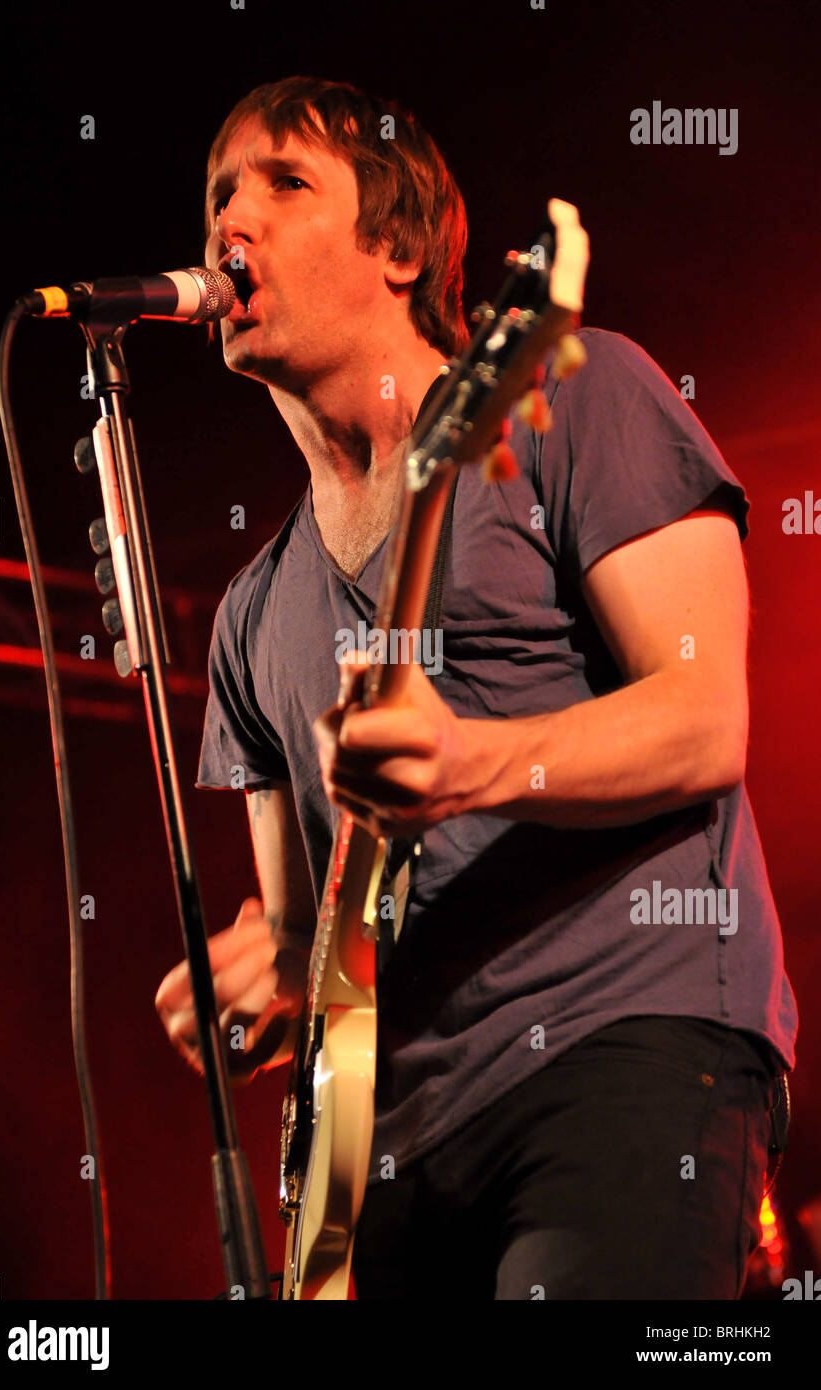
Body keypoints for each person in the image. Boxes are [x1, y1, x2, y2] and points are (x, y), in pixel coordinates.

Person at [154, 75, 797, 1300]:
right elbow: (307, 950)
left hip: (624, 1039)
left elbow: (706, 719)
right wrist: (257, 988)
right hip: (390, 1149)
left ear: (398, 249)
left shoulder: (572, 393)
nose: (230, 220)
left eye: (284, 183)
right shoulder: (246, 619)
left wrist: (476, 764)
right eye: (217, 191)